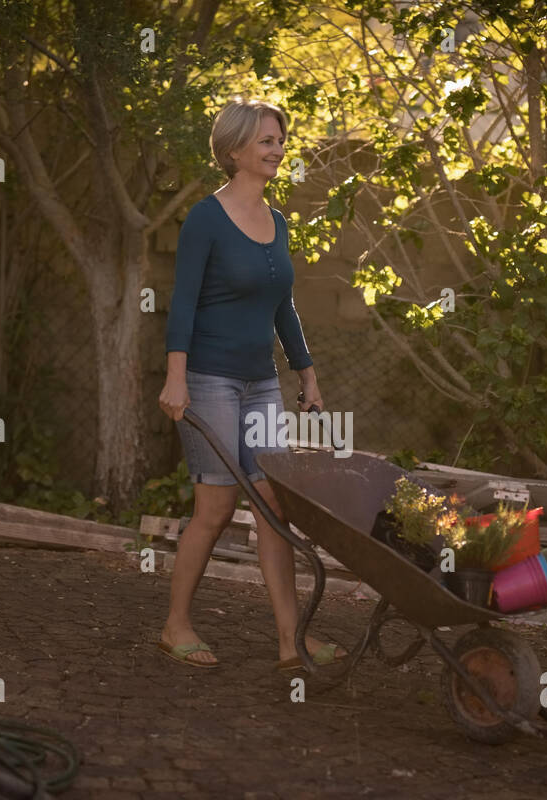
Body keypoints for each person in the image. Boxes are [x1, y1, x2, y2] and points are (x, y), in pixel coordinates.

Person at [156, 96, 347, 671]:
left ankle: (292, 641)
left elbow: (282, 306)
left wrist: (306, 373)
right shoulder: (205, 219)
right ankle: (175, 625)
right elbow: (182, 304)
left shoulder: (278, 221)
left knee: (273, 507)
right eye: (266, 141)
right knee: (214, 508)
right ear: (235, 149)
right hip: (209, 380)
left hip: (261, 384)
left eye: (280, 140)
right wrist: (176, 379)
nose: (277, 149)